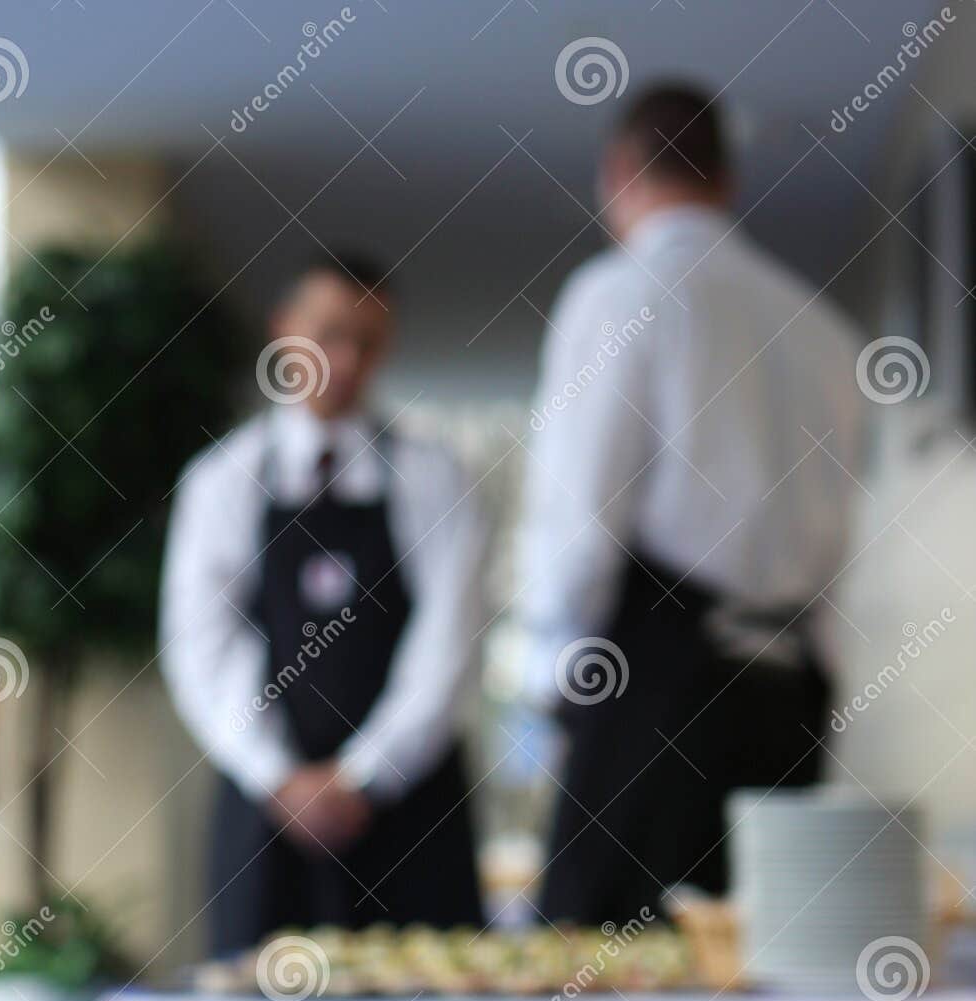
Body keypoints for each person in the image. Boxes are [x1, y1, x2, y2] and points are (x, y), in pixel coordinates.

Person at [518, 84, 862, 926]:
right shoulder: (823, 329)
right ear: (727, 178)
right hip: (789, 697)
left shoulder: (616, 293)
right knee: (764, 963)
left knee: (603, 976)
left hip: (655, 692)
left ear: (615, 173)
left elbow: (579, 522)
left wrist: (553, 671)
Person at [161, 255, 484, 951]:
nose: (347, 360)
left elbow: (449, 643)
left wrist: (365, 776)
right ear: (284, 330)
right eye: (331, 335)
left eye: (368, 342)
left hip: (411, 814)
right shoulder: (221, 480)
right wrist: (279, 776)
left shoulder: (435, 477)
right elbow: (201, 646)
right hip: (266, 811)